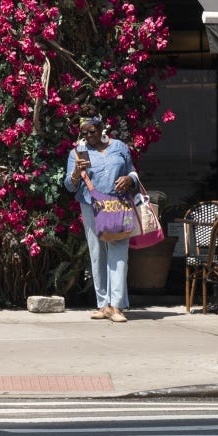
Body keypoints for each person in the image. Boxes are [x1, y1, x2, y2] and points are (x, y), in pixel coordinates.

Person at [66, 114, 139, 322]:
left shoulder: (119, 147)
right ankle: (103, 304)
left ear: (102, 128)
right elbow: (69, 186)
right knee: (97, 253)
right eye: (85, 133)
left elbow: (132, 171)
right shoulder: (78, 152)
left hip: (119, 204)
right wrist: (76, 173)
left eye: (93, 131)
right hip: (92, 205)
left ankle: (116, 306)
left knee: (119, 251)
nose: (89, 136)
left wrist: (129, 179)